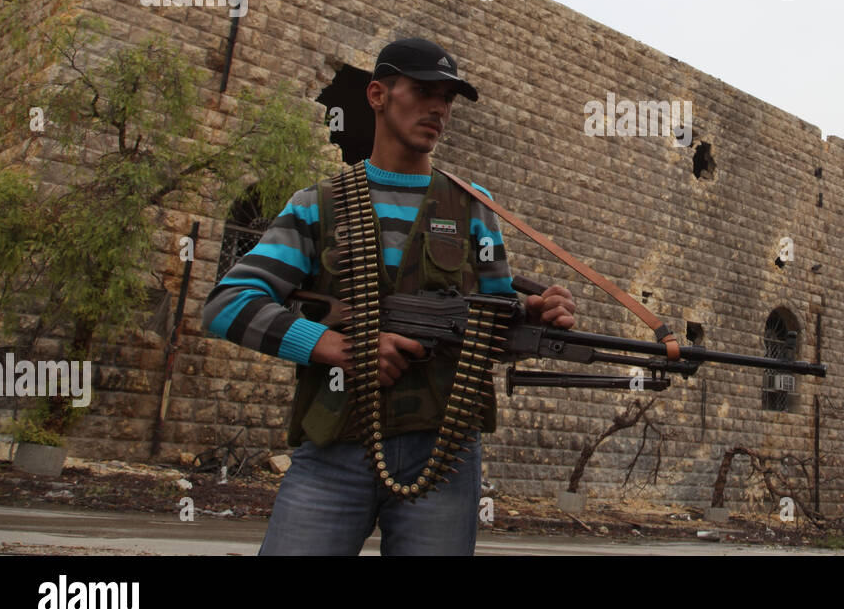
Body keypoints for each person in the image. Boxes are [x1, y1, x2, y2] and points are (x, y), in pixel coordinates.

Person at [203, 37, 576, 555]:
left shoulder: (475, 208)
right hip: (336, 442)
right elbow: (227, 303)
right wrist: (339, 348)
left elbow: (491, 325)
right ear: (377, 94)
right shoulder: (318, 205)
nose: (438, 109)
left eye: (447, 98)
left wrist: (530, 316)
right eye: (423, 91)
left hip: (442, 450)